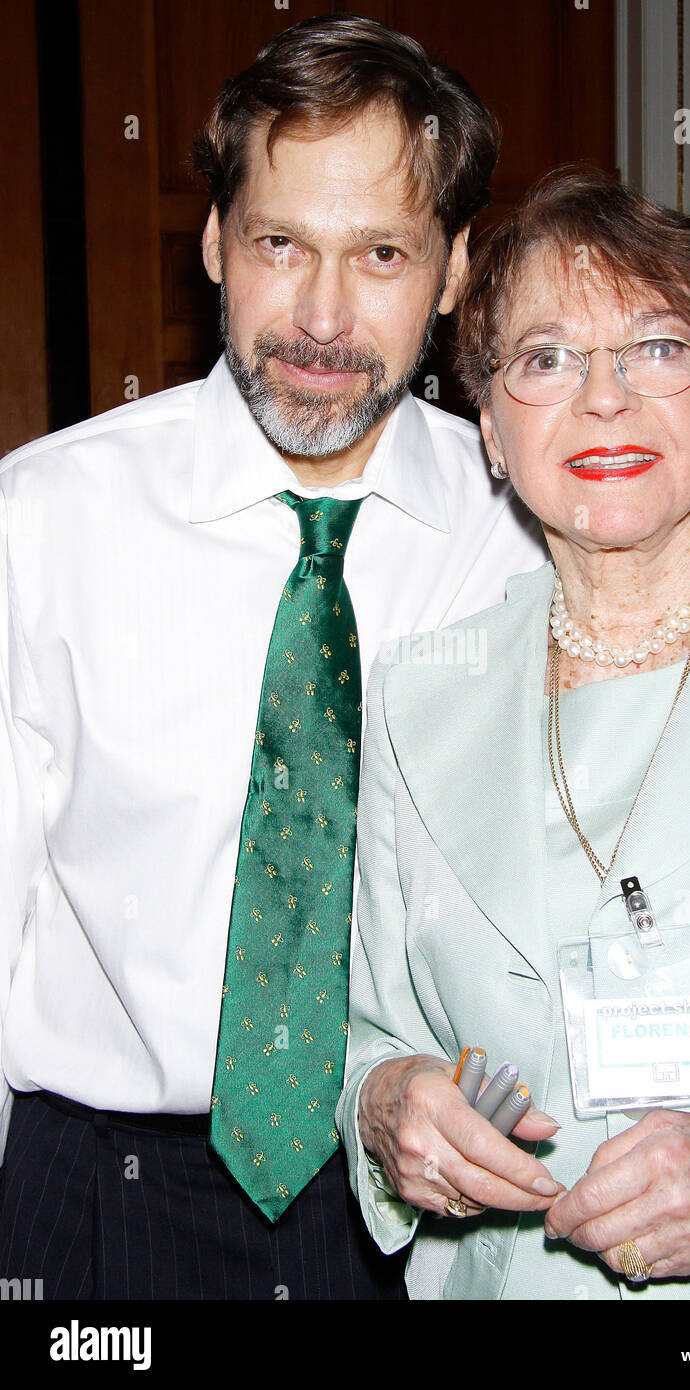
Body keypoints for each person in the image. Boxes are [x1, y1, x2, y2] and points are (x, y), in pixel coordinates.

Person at [0, 16, 546, 1300]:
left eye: (382, 255)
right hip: (93, 1210)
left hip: (417, 1218)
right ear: (211, 245)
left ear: (456, 271)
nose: (320, 315)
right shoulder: (40, 524)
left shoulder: (520, 541)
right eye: (279, 242)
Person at [337, 166, 690, 1300]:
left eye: (656, 348)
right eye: (543, 359)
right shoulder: (415, 696)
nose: (603, 399)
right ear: (486, 425)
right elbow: (377, 1034)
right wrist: (390, 1109)